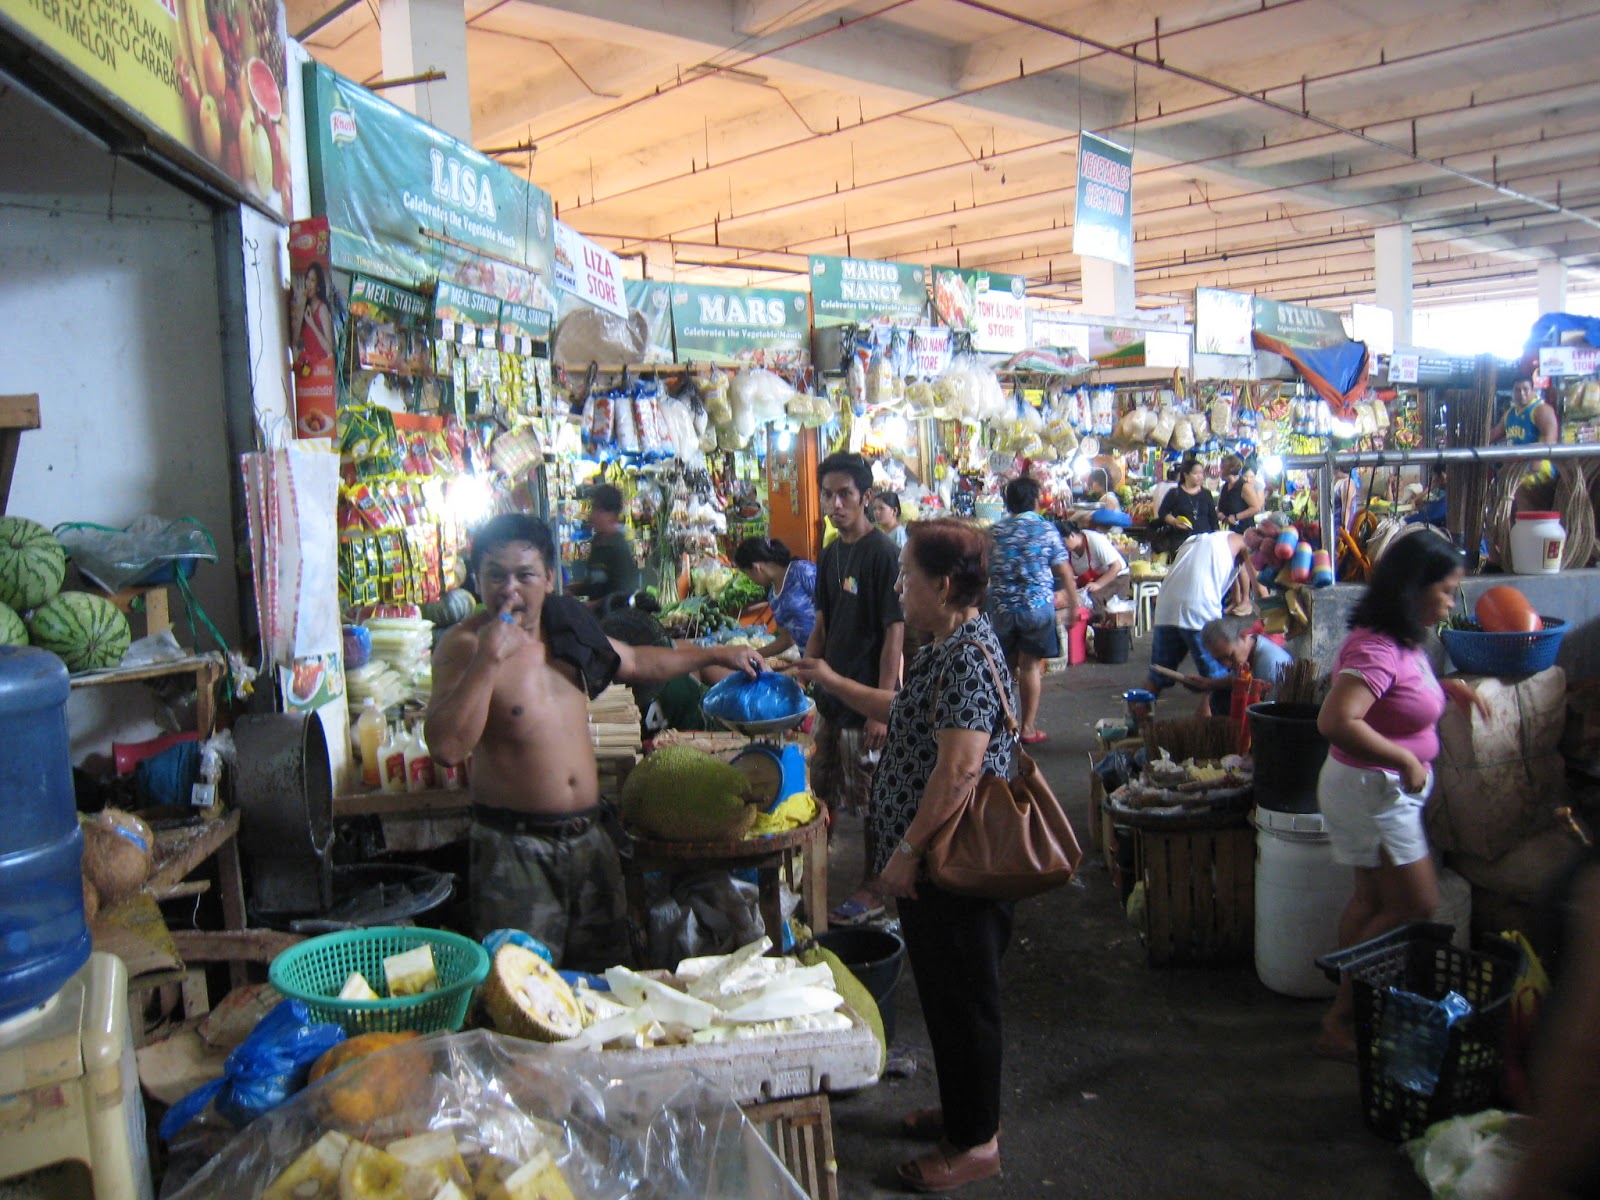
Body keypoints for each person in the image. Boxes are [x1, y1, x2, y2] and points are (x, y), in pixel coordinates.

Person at [426, 513, 763, 971]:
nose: (509, 589)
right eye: (495, 575)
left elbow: (637, 661)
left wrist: (718, 653)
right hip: (517, 851)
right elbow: (447, 746)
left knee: (607, 981)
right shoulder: (463, 648)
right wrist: (488, 660)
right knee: (524, 991)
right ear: (477, 578)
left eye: (524, 575)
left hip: (590, 839)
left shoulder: (566, 628)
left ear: (549, 577)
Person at [796, 519, 1015, 1192]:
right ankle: (961, 1115)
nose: (898, 587)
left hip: (954, 864)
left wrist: (905, 854)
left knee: (967, 1000)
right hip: (932, 865)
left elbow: (958, 771)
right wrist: (831, 678)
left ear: (944, 586)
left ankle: (977, 1143)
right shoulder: (944, 646)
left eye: (907, 577)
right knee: (946, 996)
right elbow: (905, 708)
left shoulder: (969, 656)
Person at [1312, 531, 1487, 1061]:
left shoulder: (1402, 636)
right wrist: (1406, 758)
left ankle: (1344, 1010)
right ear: (1416, 588)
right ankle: (1342, 1017)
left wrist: (1444, 692)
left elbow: (1398, 692)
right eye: (1448, 591)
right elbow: (1336, 720)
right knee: (1417, 905)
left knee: (1371, 901)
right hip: (1376, 789)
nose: (1451, 603)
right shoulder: (1377, 645)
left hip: (1372, 787)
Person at [808, 452, 906, 927]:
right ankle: (813, 875)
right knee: (819, 790)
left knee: (873, 801)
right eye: (828, 493)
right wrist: (807, 674)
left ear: (866, 497)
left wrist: (883, 709)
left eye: (845, 493)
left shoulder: (884, 554)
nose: (835, 503)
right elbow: (823, 621)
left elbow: (895, 634)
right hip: (831, 696)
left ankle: (875, 886)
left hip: (868, 697)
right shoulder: (830, 552)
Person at [988, 476, 1076, 746]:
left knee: (1003, 669)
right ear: (1036, 501)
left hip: (1001, 609)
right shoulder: (1046, 530)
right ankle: (1026, 728)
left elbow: (981, 571)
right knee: (1029, 668)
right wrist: (1074, 603)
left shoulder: (994, 532)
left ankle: (1001, 727)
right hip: (1036, 609)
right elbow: (1063, 570)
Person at [1146, 530, 1254, 700]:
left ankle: (1137, 716)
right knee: (1216, 681)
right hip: (1199, 606)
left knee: (1158, 674)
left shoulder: (1200, 542)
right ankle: (1214, 721)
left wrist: (1239, 597)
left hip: (1166, 605)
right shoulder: (1242, 541)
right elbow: (1254, 576)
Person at [1181, 614, 1296, 716]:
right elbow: (1234, 678)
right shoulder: (1245, 654)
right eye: (1219, 660)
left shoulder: (1271, 665)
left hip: (1275, 716)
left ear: (1243, 636)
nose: (1227, 664)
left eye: (1230, 656)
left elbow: (1270, 712)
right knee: (1218, 696)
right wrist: (1208, 684)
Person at [731, 537, 817, 659]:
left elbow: (835, 607)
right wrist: (754, 655)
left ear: (756, 567)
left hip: (832, 655)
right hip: (811, 663)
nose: (751, 580)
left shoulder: (802, 571)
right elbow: (786, 640)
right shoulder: (773, 597)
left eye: (748, 574)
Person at [570, 483, 639, 609]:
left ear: (612, 515)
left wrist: (590, 606)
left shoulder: (619, 548)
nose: (592, 515)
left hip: (614, 623)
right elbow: (593, 582)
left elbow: (622, 595)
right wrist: (569, 589)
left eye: (597, 510)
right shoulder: (597, 542)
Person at [1058, 519, 1131, 606]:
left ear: (1071, 535)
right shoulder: (1068, 550)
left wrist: (1098, 584)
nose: (1060, 546)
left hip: (1117, 579)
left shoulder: (1094, 539)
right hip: (1092, 583)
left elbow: (1116, 566)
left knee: (1092, 600)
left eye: (1062, 542)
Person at [1156, 457, 1220, 543]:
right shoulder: (1175, 493)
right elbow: (1162, 512)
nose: (1199, 476)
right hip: (1181, 541)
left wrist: (1216, 537)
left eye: (1201, 473)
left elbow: (1213, 518)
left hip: (1204, 542)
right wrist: (1174, 521)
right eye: (1195, 473)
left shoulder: (1206, 494)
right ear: (1186, 475)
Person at [291, 261, 335, 366]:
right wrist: (301, 305)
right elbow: (295, 341)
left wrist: (312, 324)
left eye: (312, 280)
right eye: (307, 279)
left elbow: (329, 349)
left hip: (322, 366)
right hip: (308, 365)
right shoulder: (306, 307)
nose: (308, 284)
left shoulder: (322, 308)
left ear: (318, 285)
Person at [1492, 377, 1559, 446]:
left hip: (1535, 456)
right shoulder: (1509, 413)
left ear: (1533, 390)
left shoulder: (1542, 410)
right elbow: (1493, 435)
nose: (1522, 393)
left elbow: (1550, 442)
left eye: (1525, 389)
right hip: (1514, 456)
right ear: (1513, 392)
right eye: (1517, 390)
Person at [1217, 454, 1264, 534]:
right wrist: (1220, 514)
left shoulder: (1245, 486)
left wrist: (1236, 517)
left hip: (1243, 532)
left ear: (1231, 469)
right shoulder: (1225, 486)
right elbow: (1221, 506)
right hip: (1228, 531)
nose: (1219, 471)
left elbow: (1256, 508)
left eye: (1222, 468)